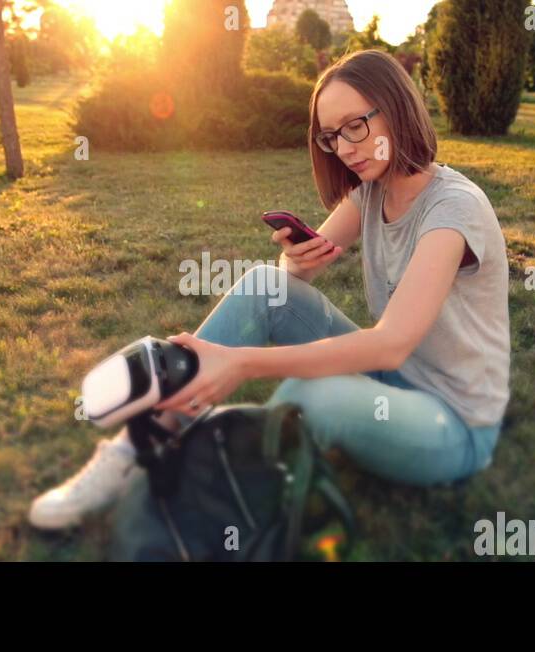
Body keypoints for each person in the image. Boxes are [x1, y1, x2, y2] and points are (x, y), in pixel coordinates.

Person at [28, 49, 510, 531]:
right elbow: (284, 284)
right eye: (331, 136)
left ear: (396, 107)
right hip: (391, 382)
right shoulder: (371, 192)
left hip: (455, 424)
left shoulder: (454, 208)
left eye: (355, 125)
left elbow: (390, 344)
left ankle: (216, 489)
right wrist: (294, 262)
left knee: (312, 397)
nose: (343, 147)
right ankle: (138, 446)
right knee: (264, 285)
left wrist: (240, 363)